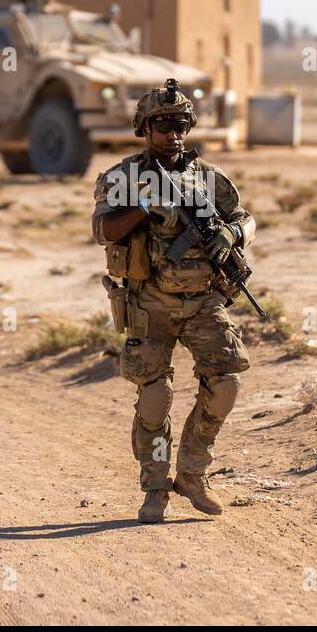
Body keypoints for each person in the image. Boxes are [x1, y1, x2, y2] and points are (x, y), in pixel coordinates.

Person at [91, 80, 256, 523]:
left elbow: (246, 217)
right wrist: (144, 207)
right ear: (145, 128)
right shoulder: (123, 178)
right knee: (155, 397)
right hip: (149, 304)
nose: (173, 133)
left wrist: (232, 233)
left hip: (204, 302)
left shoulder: (208, 178)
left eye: (181, 124)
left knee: (225, 386)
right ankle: (155, 487)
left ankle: (193, 473)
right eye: (163, 125)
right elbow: (104, 231)